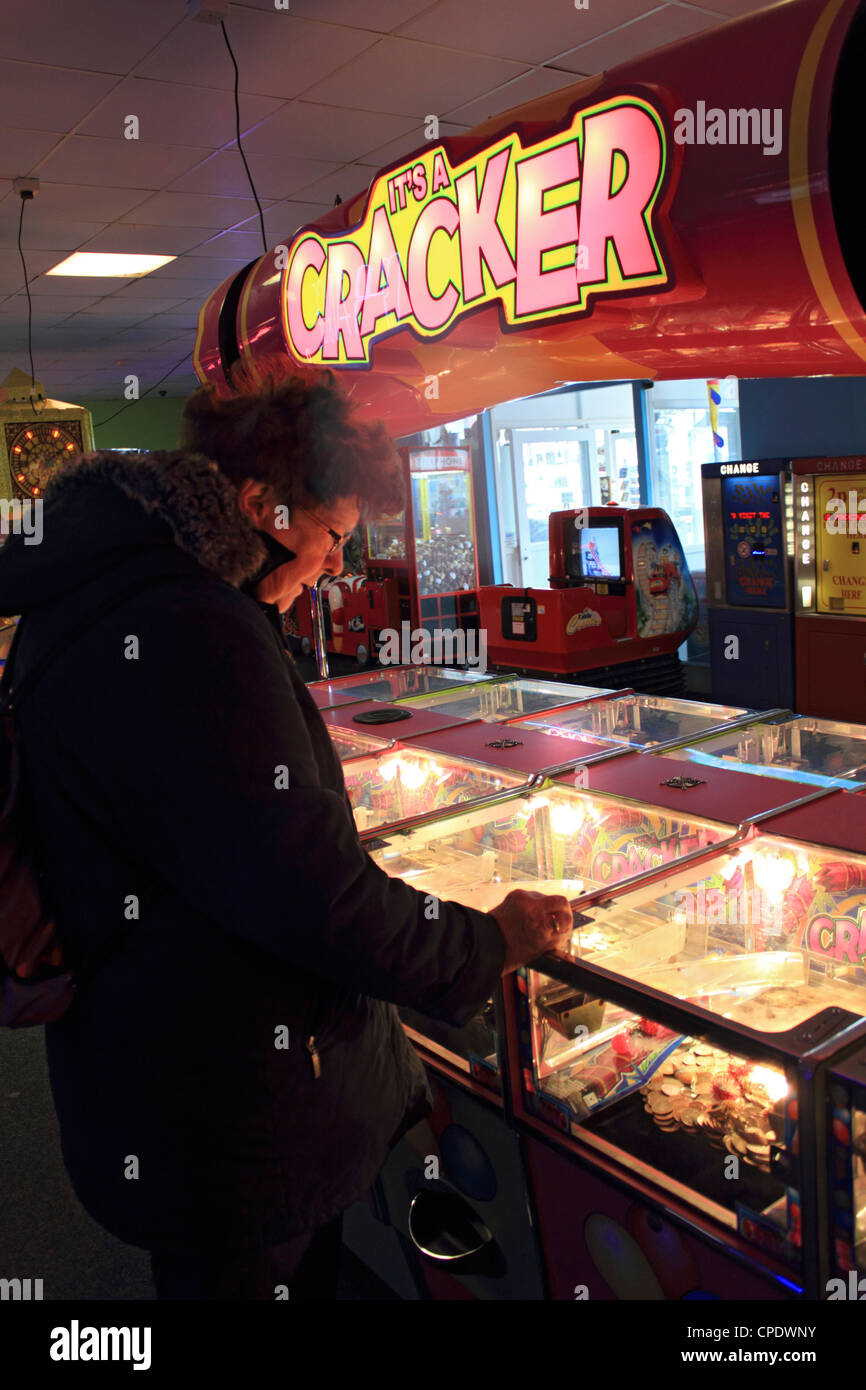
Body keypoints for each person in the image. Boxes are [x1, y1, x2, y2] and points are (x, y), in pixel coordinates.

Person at [0, 363, 573, 1301]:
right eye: (334, 536)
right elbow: (311, 895)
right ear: (262, 506)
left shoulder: (104, 587)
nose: (337, 566)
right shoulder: (193, 624)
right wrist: (484, 941)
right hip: (227, 1108)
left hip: (146, 1067)